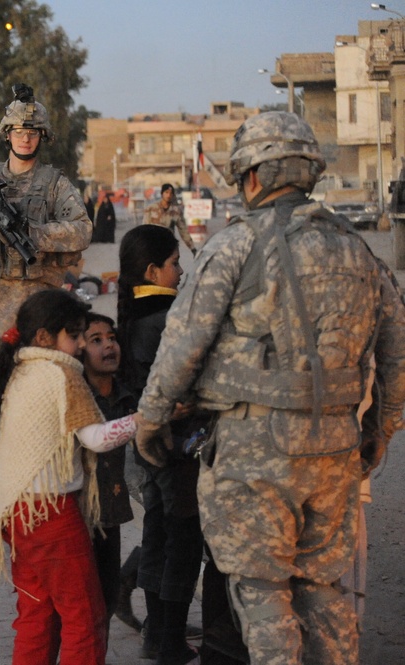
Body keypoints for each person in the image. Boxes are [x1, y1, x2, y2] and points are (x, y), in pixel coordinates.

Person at [134, 111, 405, 664]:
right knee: (323, 590)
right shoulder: (360, 250)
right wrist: (379, 433)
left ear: (252, 175)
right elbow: (397, 355)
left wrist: (151, 421)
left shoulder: (235, 245)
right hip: (334, 448)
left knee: (261, 593)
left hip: (254, 452)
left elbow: (182, 345)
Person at [0, 288, 140, 665]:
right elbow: (98, 439)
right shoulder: (62, 374)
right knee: (86, 616)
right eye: (76, 334)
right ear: (44, 338)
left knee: (38, 615)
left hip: (16, 512)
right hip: (51, 514)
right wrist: (144, 419)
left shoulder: (18, 370)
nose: (83, 343)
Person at [0, 83, 93, 373]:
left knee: (25, 385)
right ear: (7, 135)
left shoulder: (54, 184)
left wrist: (34, 234)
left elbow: (82, 230)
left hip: (30, 306)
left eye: (32, 133)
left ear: (42, 136)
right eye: (19, 132)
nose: (25, 139)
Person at [117, 224, 203, 665]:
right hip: (177, 449)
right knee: (180, 545)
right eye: (174, 263)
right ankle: (168, 638)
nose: (181, 270)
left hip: (150, 448)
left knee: (158, 537)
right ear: (152, 269)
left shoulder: (136, 315)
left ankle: (159, 634)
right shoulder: (165, 318)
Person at [80, 312, 140, 638]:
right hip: (76, 512)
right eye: (96, 340)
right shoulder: (76, 394)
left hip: (109, 512)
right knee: (80, 603)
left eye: (112, 338)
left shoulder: (125, 393)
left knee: (105, 593)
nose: (108, 347)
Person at [143, 184, 196, 255]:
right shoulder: (151, 208)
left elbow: (183, 230)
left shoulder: (176, 211)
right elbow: (144, 228)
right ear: (162, 194)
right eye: (166, 192)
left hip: (168, 245)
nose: (168, 195)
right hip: (153, 245)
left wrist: (192, 248)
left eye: (171, 193)